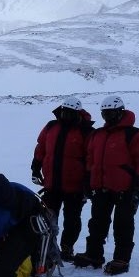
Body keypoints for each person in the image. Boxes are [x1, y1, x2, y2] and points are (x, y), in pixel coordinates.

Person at [72, 95, 139, 275]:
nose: (107, 117)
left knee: (123, 224)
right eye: (104, 114)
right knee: (97, 223)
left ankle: (121, 259)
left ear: (120, 112)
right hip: (101, 187)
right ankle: (94, 255)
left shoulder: (136, 135)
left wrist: (138, 187)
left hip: (126, 189)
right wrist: (88, 181)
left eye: (111, 113)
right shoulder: (97, 134)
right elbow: (90, 160)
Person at [30, 96, 93, 261]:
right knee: (48, 217)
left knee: (72, 219)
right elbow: (41, 148)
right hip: (52, 184)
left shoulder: (85, 131)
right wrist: (36, 168)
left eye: (70, 113)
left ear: (77, 113)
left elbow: (91, 158)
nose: (66, 115)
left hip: (76, 186)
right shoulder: (51, 126)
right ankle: (49, 246)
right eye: (64, 112)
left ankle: (67, 248)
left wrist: (88, 183)